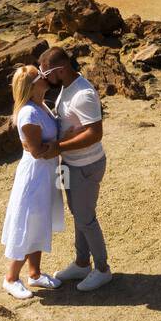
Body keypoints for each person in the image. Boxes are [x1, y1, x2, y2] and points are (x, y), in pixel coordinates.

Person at [37, 45, 113, 291]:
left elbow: (95, 133)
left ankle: (102, 269)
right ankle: (82, 263)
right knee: (78, 214)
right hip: (71, 164)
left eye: (46, 73)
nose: (44, 78)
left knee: (86, 218)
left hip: (86, 165)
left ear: (60, 70)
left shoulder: (83, 95)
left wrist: (59, 145)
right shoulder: (66, 88)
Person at [0, 64, 66, 299]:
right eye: (38, 76)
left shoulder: (42, 105)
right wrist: (62, 147)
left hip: (48, 172)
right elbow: (37, 151)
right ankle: (11, 278)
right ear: (31, 86)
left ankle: (35, 273)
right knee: (27, 222)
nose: (43, 76)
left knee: (40, 221)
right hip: (35, 174)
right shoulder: (28, 113)